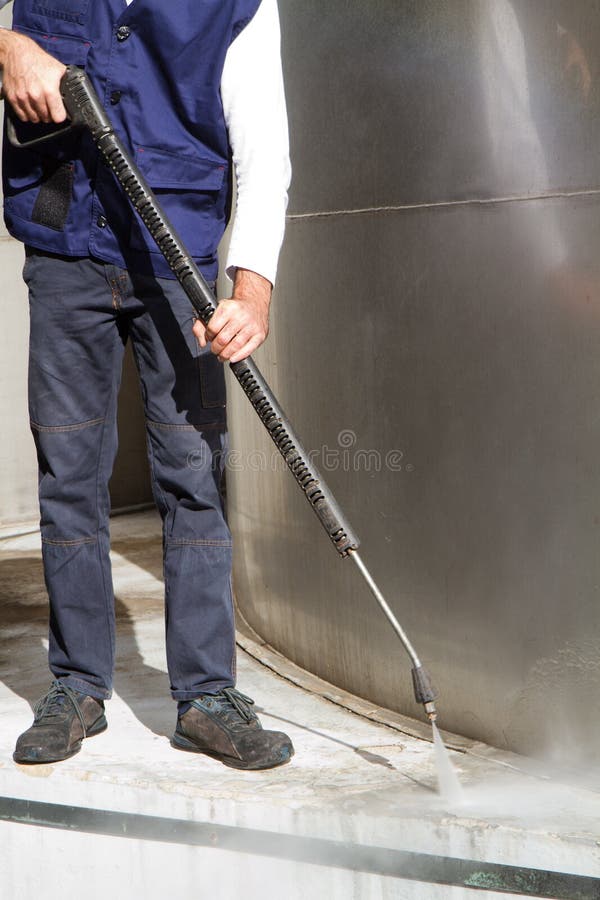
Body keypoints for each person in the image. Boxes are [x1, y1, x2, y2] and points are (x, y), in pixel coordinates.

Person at [0, 0, 294, 770]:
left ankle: (206, 697)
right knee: (70, 476)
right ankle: (76, 686)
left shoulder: (241, 5)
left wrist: (251, 291)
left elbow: (267, 150)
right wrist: (6, 45)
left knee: (192, 478)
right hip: (64, 244)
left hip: (178, 259)